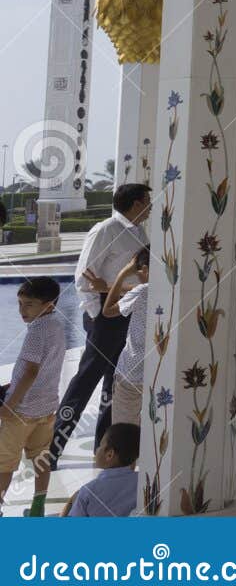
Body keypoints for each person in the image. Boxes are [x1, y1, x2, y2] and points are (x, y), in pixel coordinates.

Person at [47, 183, 150, 473]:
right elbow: (84, 277)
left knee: (112, 387)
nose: (151, 206)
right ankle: (53, 448)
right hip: (106, 315)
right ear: (135, 204)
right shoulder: (106, 230)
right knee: (84, 383)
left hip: (125, 311)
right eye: (147, 201)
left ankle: (103, 449)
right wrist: (98, 319)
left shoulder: (139, 232)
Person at [3, 277, 67, 515]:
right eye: (20, 303)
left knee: (4, 464)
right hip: (46, 407)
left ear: (48, 305)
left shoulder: (37, 331)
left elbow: (30, 370)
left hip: (21, 411)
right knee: (41, 458)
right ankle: (38, 506)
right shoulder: (57, 326)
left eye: (29, 304)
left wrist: (10, 405)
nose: (22, 310)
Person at [103, 248, 150, 428]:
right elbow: (132, 291)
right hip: (155, 372)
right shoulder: (169, 290)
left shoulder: (141, 291)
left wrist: (122, 274)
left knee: (124, 429)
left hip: (131, 372)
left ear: (144, 269)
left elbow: (108, 311)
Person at [62, 424, 138, 517]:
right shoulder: (142, 482)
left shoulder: (88, 491)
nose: (97, 449)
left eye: (100, 445)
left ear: (109, 454)